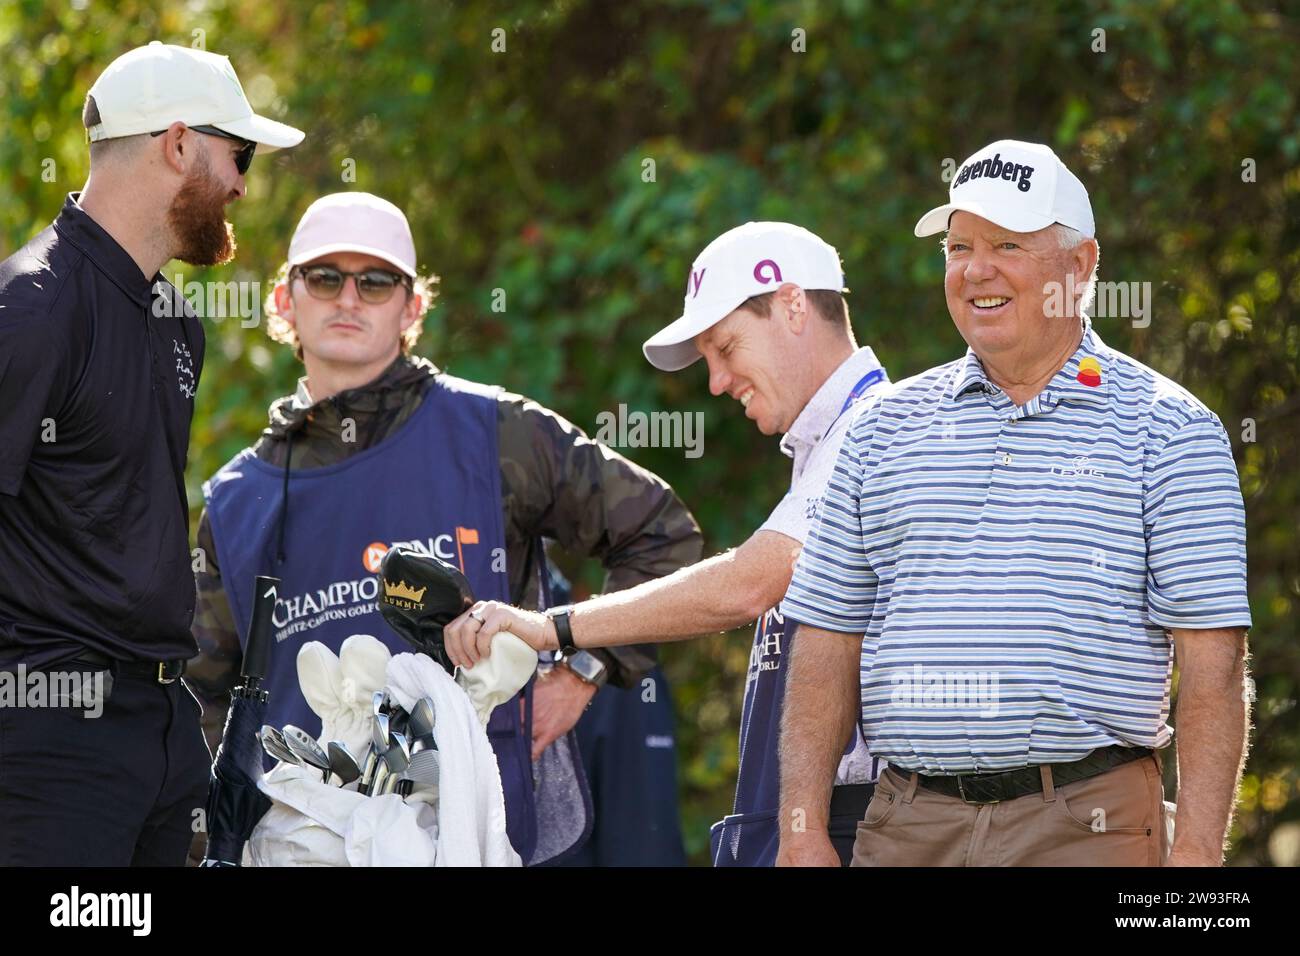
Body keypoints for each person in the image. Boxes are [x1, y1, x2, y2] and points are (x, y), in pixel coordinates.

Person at [186, 191, 701, 865]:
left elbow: (664, 538)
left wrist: (580, 671)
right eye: (325, 277)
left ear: (412, 307)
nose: (349, 298)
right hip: (300, 845)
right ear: (285, 301)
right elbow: (199, 702)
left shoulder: (496, 433)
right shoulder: (234, 500)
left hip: (489, 835)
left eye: (375, 282)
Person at [776, 140, 1252, 867]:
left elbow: (1213, 665)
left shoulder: (1170, 429)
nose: (975, 270)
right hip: (906, 826)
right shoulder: (882, 428)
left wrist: (1195, 857)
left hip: (1088, 828)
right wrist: (802, 829)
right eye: (958, 246)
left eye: (1007, 245)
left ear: (1082, 266)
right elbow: (824, 639)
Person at [444, 221, 892, 866]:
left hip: (852, 821)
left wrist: (551, 631)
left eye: (726, 346)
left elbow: (747, 584)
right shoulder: (827, 444)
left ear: (794, 305)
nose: (715, 381)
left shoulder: (873, 425)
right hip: (821, 817)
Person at [0, 42, 302, 866]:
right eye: (237, 155)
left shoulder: (176, 319)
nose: (243, 182)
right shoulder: (29, 309)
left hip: (164, 734)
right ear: (178, 145)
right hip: (48, 744)